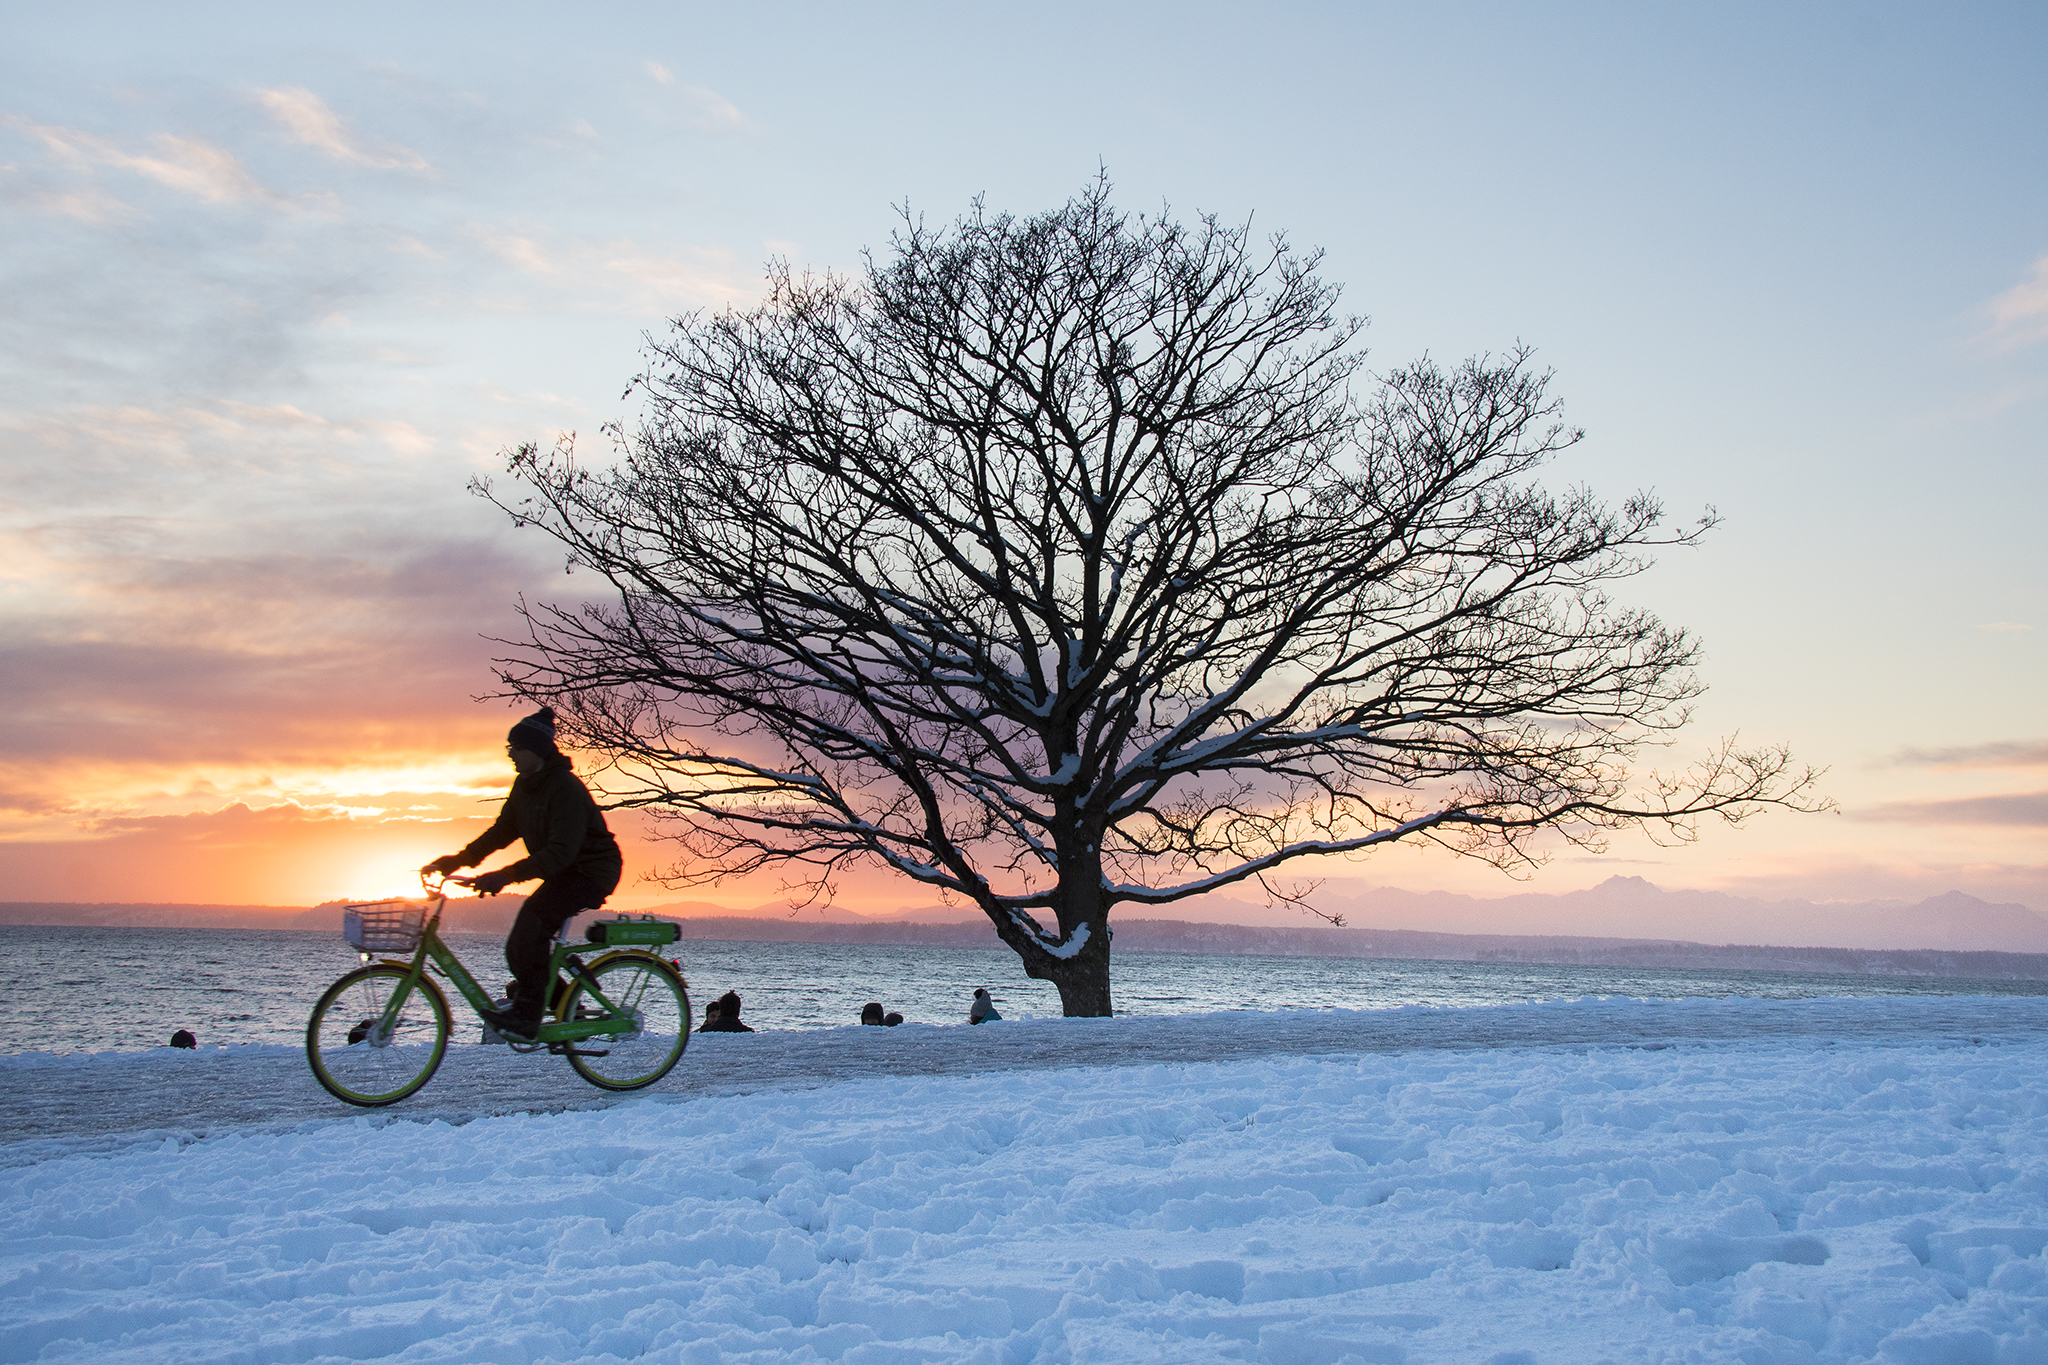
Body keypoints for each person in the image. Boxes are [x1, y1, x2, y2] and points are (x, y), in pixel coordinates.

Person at [421, 707, 622, 1042]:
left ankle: (529, 1016)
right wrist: (455, 861)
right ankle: (567, 1010)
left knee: (531, 929)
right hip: (564, 870)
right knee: (518, 949)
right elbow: (502, 831)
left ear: (537, 751)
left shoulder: (564, 788)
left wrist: (504, 876)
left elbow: (560, 853)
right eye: (509, 748)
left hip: (590, 871)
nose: (511, 754)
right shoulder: (525, 785)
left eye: (517, 748)